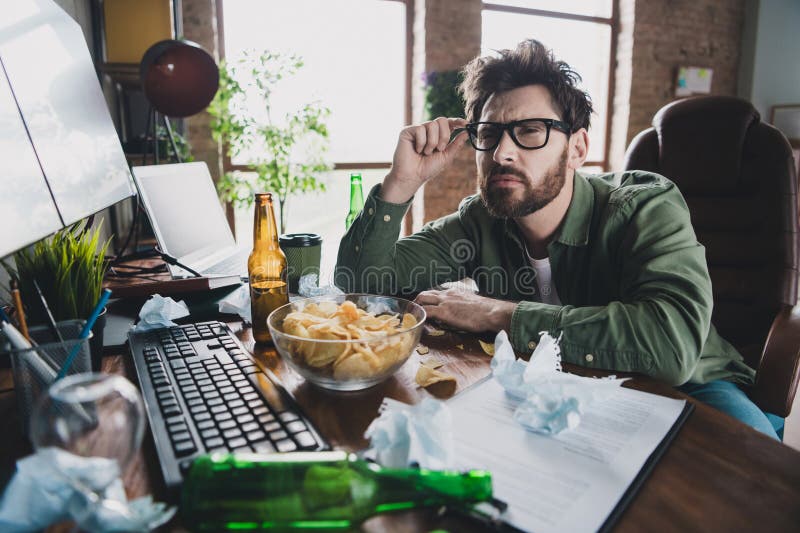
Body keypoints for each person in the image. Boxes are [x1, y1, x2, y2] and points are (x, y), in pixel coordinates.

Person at [334, 39, 782, 439]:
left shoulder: (646, 206)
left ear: (578, 149)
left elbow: (670, 346)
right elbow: (362, 281)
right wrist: (400, 184)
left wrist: (499, 314)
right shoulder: (481, 220)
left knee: (760, 479)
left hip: (690, 385)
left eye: (531, 130)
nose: (502, 153)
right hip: (556, 385)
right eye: (489, 135)